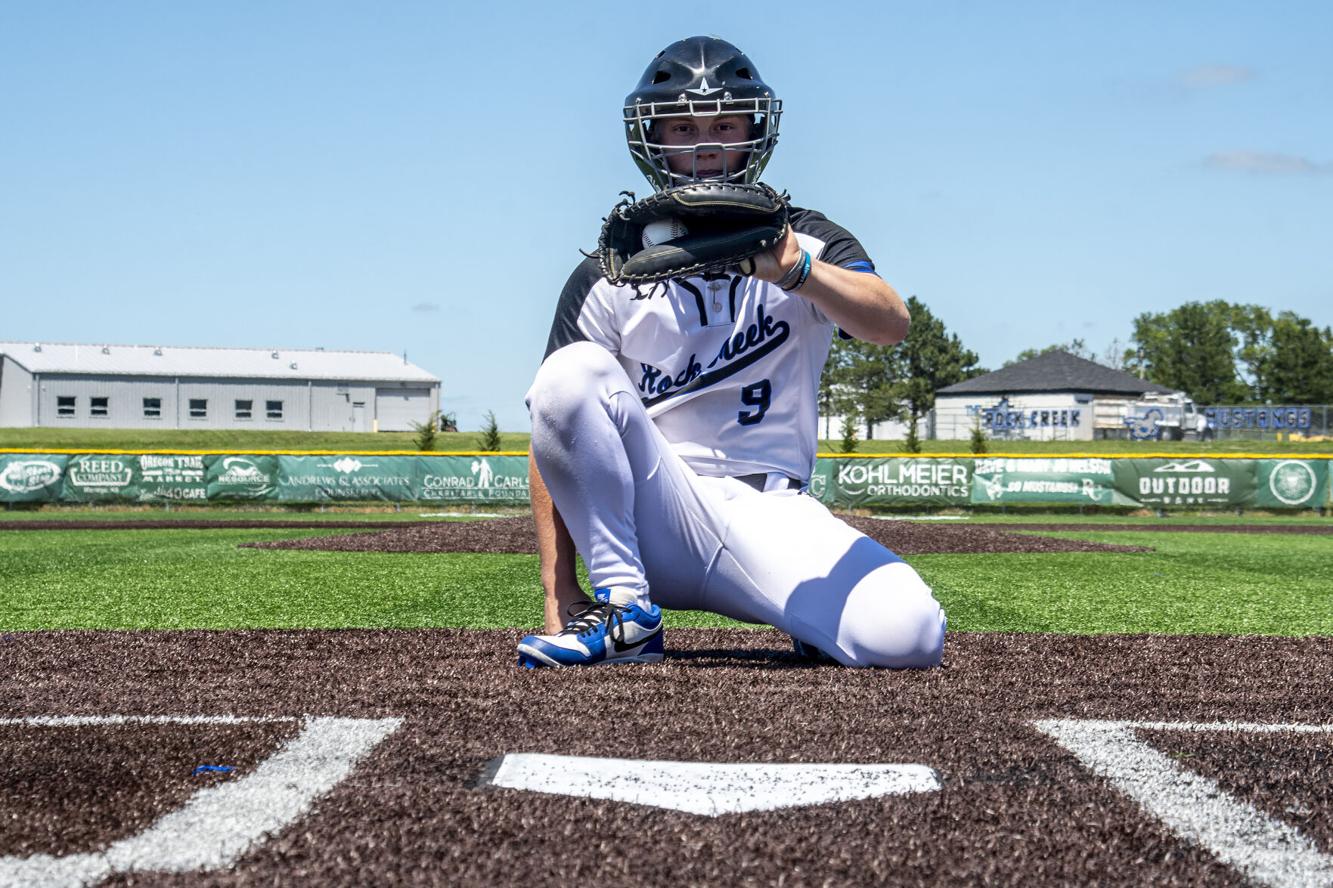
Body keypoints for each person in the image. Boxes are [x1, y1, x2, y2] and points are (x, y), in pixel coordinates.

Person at [517, 36, 946, 669]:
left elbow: (890, 322)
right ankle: (625, 611)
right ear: (652, 137)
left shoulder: (808, 240)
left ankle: (803, 614)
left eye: (723, 123)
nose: (704, 142)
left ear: (755, 130)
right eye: (682, 126)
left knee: (908, 637)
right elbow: (557, 425)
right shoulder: (610, 268)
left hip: (773, 512)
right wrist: (559, 594)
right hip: (649, 520)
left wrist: (793, 269)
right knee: (566, 373)